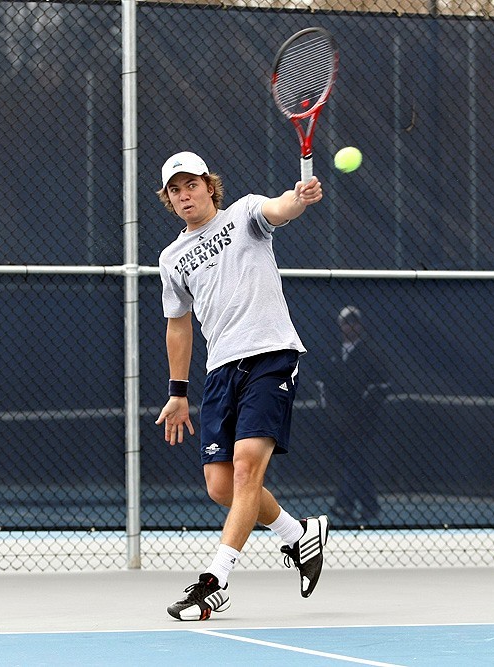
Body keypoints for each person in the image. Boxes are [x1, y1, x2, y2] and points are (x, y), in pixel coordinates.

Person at [154, 151, 329, 621]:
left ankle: (214, 582)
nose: (184, 195)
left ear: (209, 187)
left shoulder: (245, 214)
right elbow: (178, 325)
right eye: (175, 190)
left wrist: (298, 197)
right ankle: (298, 534)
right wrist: (177, 392)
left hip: (270, 356)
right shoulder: (171, 258)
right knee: (220, 486)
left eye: (192, 185)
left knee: (247, 467)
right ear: (169, 199)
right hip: (220, 372)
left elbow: (280, 208)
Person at [324, 305, 389, 522]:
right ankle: (363, 505)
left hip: (362, 421)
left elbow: (380, 386)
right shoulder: (333, 353)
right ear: (340, 325)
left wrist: (363, 410)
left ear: (360, 325)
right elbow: (328, 386)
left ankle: (345, 503)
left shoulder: (371, 353)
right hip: (339, 420)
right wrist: (335, 413)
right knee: (354, 462)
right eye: (346, 322)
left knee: (354, 460)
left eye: (354, 322)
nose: (350, 326)